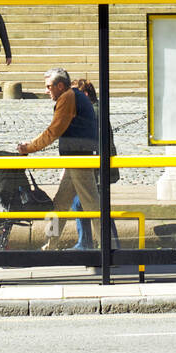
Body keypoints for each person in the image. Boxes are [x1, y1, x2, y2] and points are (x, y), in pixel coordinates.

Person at [17, 68, 101, 249]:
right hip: (75, 160)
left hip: (78, 160)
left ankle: (110, 248)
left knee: (93, 206)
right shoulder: (74, 95)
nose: (46, 91)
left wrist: (29, 147)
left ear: (60, 85)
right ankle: (50, 245)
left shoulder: (67, 97)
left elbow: (53, 131)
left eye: (49, 87)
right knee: (60, 205)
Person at [69, 79, 119, 252]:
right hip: (97, 167)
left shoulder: (92, 112)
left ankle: (92, 243)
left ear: (85, 95)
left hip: (96, 168)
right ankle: (98, 243)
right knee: (89, 204)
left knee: (88, 204)